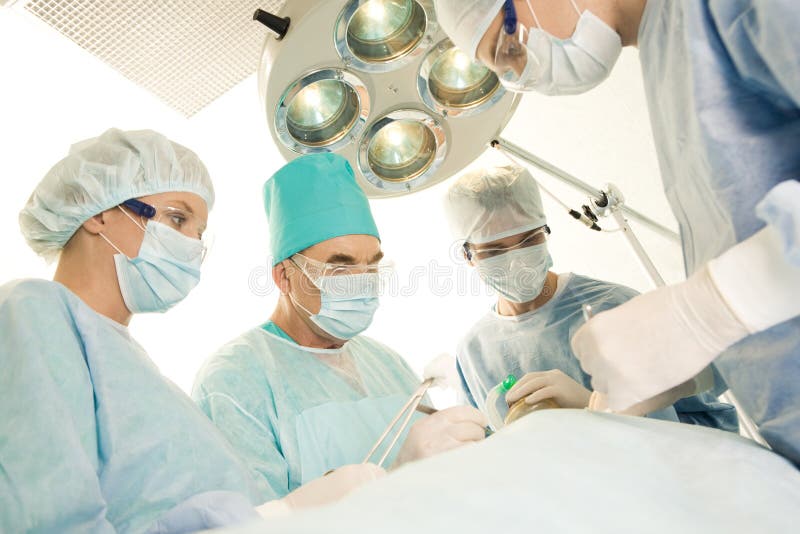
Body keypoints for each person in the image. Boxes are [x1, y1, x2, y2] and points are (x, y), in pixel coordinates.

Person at [434, 0, 800, 463]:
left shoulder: (730, 12)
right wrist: (688, 370)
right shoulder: (670, 51)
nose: (519, 73)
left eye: (507, 46)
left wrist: (707, 309)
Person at [0, 129, 384, 533]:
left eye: (199, 233)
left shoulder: (134, 369)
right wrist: (280, 514)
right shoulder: (33, 310)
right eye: (177, 218)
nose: (190, 246)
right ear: (99, 214)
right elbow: (46, 520)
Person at [192, 152, 487, 502]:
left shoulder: (385, 361)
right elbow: (251, 522)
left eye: (372, 267)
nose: (362, 283)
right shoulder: (234, 382)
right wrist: (394, 481)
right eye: (340, 268)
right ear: (284, 277)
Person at [442, 164, 737, 430]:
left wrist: (596, 408)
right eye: (494, 250)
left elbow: (705, 427)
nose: (515, 259)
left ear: (545, 232)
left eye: (528, 240)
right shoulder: (474, 352)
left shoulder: (615, 308)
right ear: (468, 255)